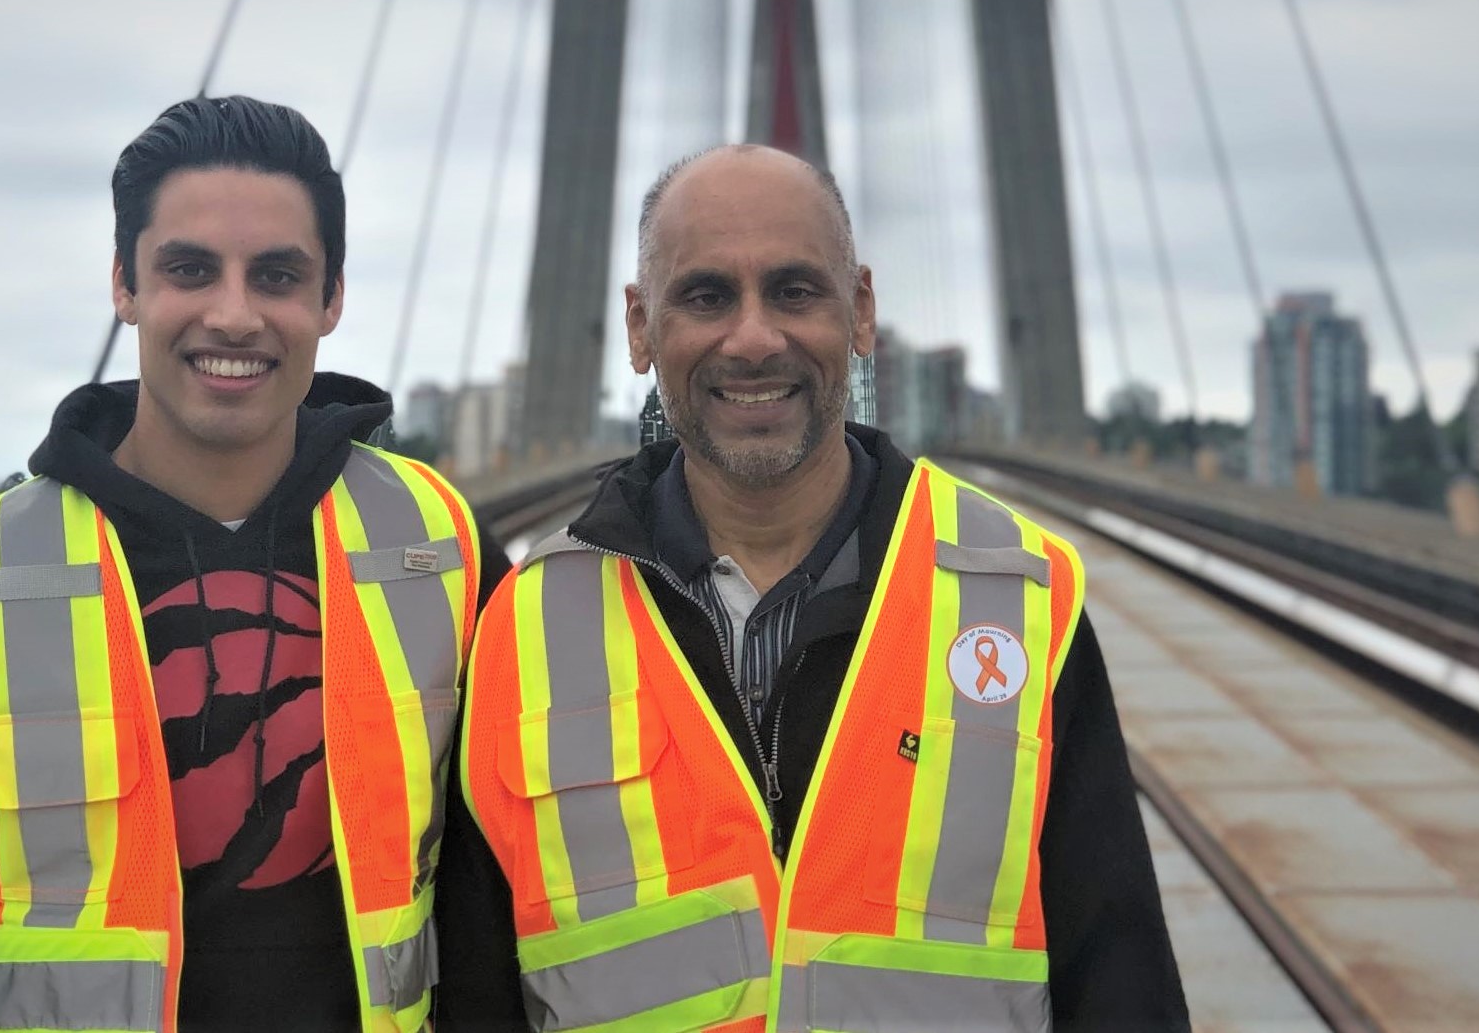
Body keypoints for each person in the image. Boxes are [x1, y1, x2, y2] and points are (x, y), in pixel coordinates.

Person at [450, 145, 1189, 1032]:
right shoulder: (524, 628)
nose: (754, 338)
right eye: (707, 295)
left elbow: (1119, 980)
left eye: (796, 291)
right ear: (642, 327)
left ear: (861, 312)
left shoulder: (1018, 602)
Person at [0, 96, 512, 1032]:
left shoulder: (443, 548)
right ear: (124, 283)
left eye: (277, 275)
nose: (233, 315)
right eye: (190, 269)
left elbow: (493, 919)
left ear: (332, 298)